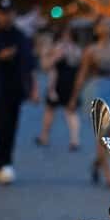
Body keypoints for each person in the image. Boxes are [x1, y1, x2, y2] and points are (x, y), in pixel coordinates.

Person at [0, 0, 39, 185]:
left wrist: (34, 88)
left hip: (16, 88)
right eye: (3, 13)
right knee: (2, 125)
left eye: (10, 13)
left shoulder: (21, 36)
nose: (6, 17)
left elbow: (29, 65)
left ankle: (6, 162)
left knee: (12, 127)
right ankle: (1, 163)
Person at [68, 17, 110, 188]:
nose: (106, 27)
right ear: (96, 29)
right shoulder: (91, 50)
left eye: (109, 24)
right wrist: (73, 98)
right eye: (102, 25)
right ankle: (107, 172)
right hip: (97, 88)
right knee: (104, 133)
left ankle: (97, 162)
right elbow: (82, 74)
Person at [35, 23, 82, 151]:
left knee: (68, 111)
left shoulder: (71, 49)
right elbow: (46, 65)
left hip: (65, 83)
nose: (66, 38)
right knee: (53, 110)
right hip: (59, 84)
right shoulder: (70, 49)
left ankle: (74, 140)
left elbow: (47, 65)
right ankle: (46, 136)